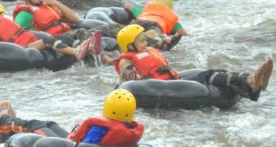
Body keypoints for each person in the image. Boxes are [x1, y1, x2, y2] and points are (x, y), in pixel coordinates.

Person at [110, 24, 272, 101]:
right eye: (141, 42)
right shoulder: (125, 60)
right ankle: (250, 82)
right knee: (204, 77)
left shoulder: (145, 51)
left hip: (170, 80)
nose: (146, 44)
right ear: (130, 45)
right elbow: (134, 81)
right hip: (159, 86)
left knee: (208, 72)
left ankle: (250, 80)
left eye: (145, 40)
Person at [0, 89, 145, 147]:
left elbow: (86, 146)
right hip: (77, 144)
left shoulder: (101, 127)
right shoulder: (128, 128)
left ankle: (3, 124)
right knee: (51, 124)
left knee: (36, 124)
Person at [0, 1, 99, 62]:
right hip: (20, 48)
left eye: (2, 14)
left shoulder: (4, 25)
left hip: (24, 42)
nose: (1, 17)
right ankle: (75, 52)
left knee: (63, 38)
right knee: (48, 40)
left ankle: (88, 48)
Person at [13, 0, 102, 38]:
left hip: (66, 34)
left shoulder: (49, 6)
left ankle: (108, 59)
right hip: (54, 40)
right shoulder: (25, 14)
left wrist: (57, 4)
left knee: (100, 30)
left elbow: (75, 20)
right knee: (82, 34)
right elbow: (14, 33)